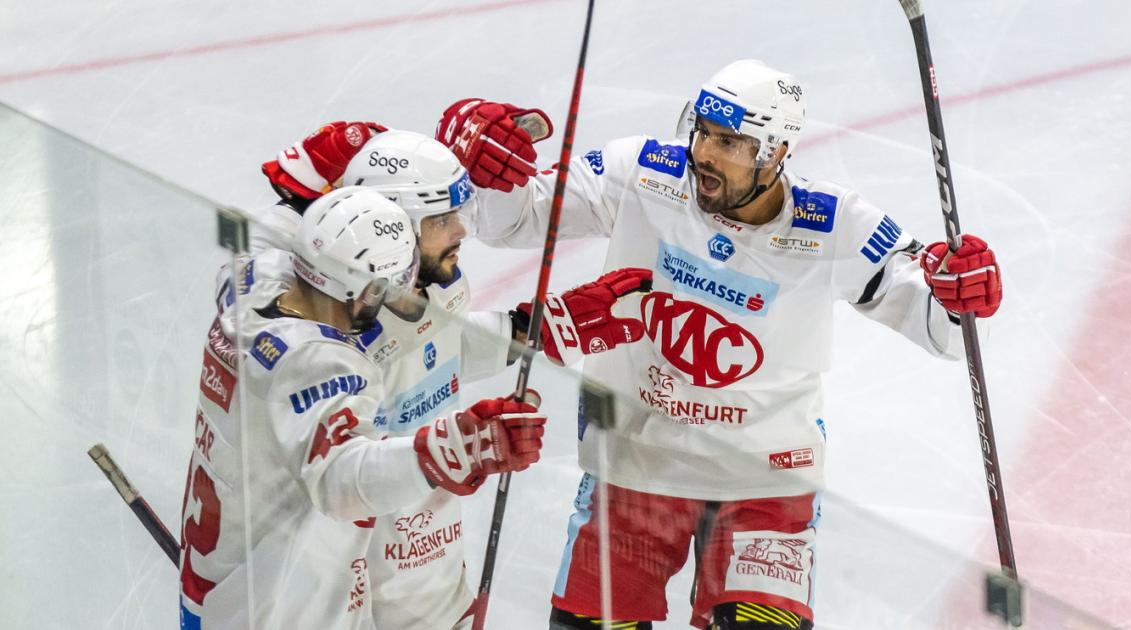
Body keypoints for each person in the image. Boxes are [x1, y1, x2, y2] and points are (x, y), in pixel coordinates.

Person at [434, 59, 1004, 629]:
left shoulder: (835, 224)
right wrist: (487, 173)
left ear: (777, 152)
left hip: (766, 478)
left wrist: (960, 297)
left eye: (729, 141)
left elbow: (942, 330)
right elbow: (514, 221)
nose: (704, 153)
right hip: (636, 462)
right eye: (702, 131)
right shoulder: (643, 171)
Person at [251, 126, 653, 628]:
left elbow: (432, 350)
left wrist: (528, 330)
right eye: (444, 218)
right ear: (394, 223)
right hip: (332, 552)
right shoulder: (327, 333)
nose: (462, 231)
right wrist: (454, 449)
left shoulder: (436, 284)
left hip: (423, 544)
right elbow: (339, 475)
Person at [179, 187, 548, 629]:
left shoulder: (250, 288)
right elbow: (341, 478)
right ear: (366, 288)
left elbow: (268, 239)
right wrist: (447, 451)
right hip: (277, 607)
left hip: (217, 583)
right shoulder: (323, 364)